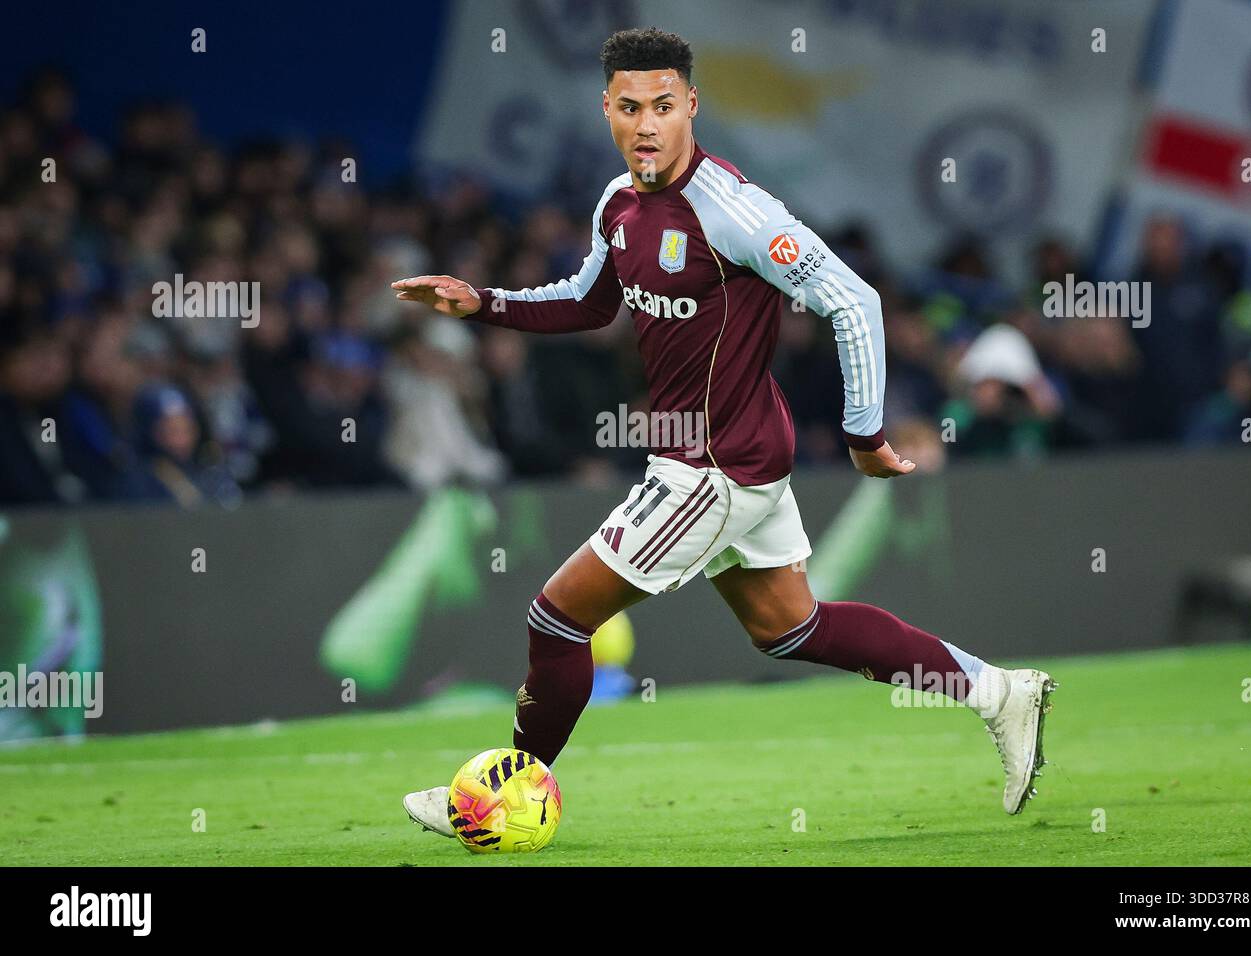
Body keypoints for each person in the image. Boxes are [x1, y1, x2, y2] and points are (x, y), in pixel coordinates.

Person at [395, 28, 1056, 835]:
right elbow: (590, 303)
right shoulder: (618, 204)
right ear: (607, 109)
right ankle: (1000, 692)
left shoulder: (735, 211)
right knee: (793, 628)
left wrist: (864, 435)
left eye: (663, 106)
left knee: (558, 618)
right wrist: (484, 302)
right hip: (728, 456)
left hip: (713, 469)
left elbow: (855, 301)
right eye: (630, 107)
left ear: (692, 106)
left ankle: (500, 801)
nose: (647, 124)